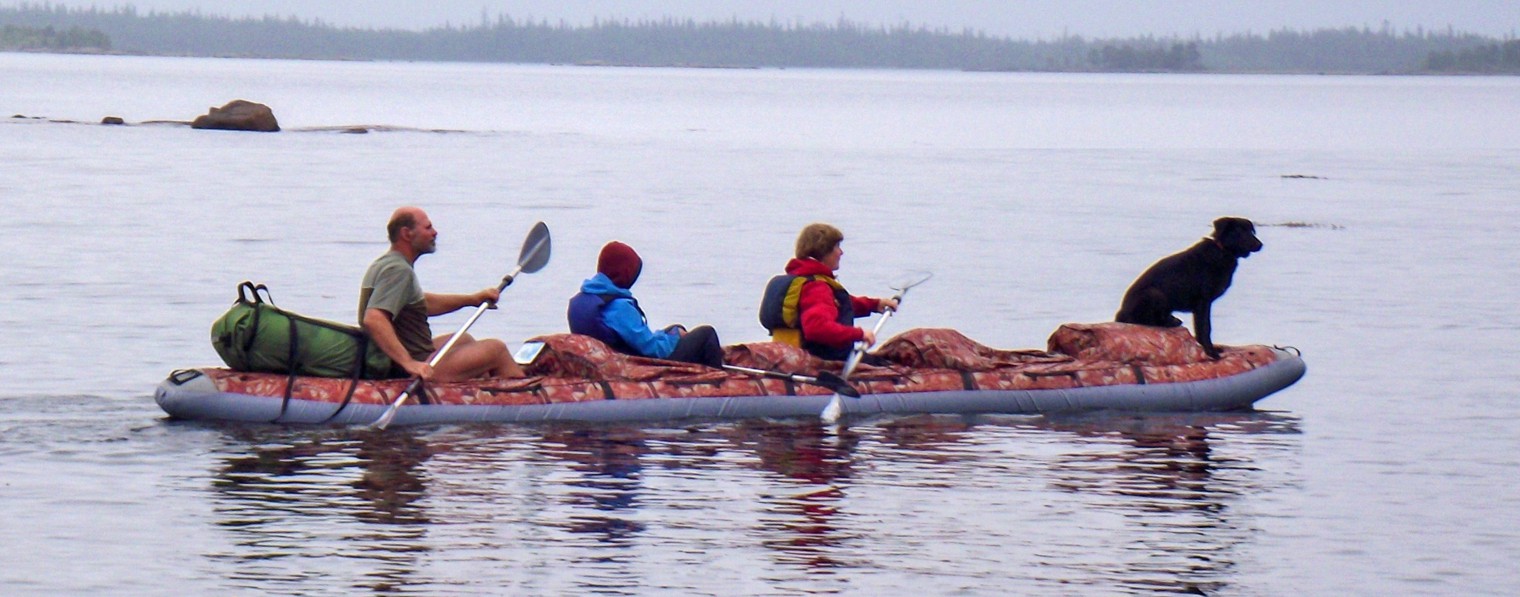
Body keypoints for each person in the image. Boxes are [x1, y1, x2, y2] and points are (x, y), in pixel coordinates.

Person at [359, 206, 525, 382]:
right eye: (428, 227)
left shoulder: (385, 264)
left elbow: (423, 303)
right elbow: (374, 318)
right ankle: (524, 395)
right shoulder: (398, 270)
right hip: (412, 366)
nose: (435, 232)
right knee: (496, 349)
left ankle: (485, 385)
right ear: (407, 234)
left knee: (463, 339)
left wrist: (472, 299)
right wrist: (409, 363)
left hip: (408, 357)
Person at [568, 241, 725, 368]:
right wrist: (676, 337)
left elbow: (635, 336)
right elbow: (652, 350)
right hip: (638, 365)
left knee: (675, 328)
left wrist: (673, 333)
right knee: (706, 334)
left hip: (613, 360)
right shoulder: (618, 308)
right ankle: (718, 382)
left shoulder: (585, 298)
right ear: (626, 274)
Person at [774, 223, 897, 362]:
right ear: (824, 251)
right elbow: (817, 328)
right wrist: (860, 334)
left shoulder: (802, 279)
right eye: (837, 247)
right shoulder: (816, 287)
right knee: (891, 367)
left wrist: (874, 305)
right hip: (827, 359)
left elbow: (836, 304)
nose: (841, 252)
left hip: (799, 353)